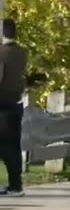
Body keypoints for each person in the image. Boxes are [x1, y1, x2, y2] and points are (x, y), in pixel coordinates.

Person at [0, 19, 28, 196]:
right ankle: (16, 185)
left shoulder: (1, 53)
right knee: (13, 147)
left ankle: (14, 186)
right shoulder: (22, 52)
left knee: (6, 148)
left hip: (2, 105)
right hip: (16, 103)